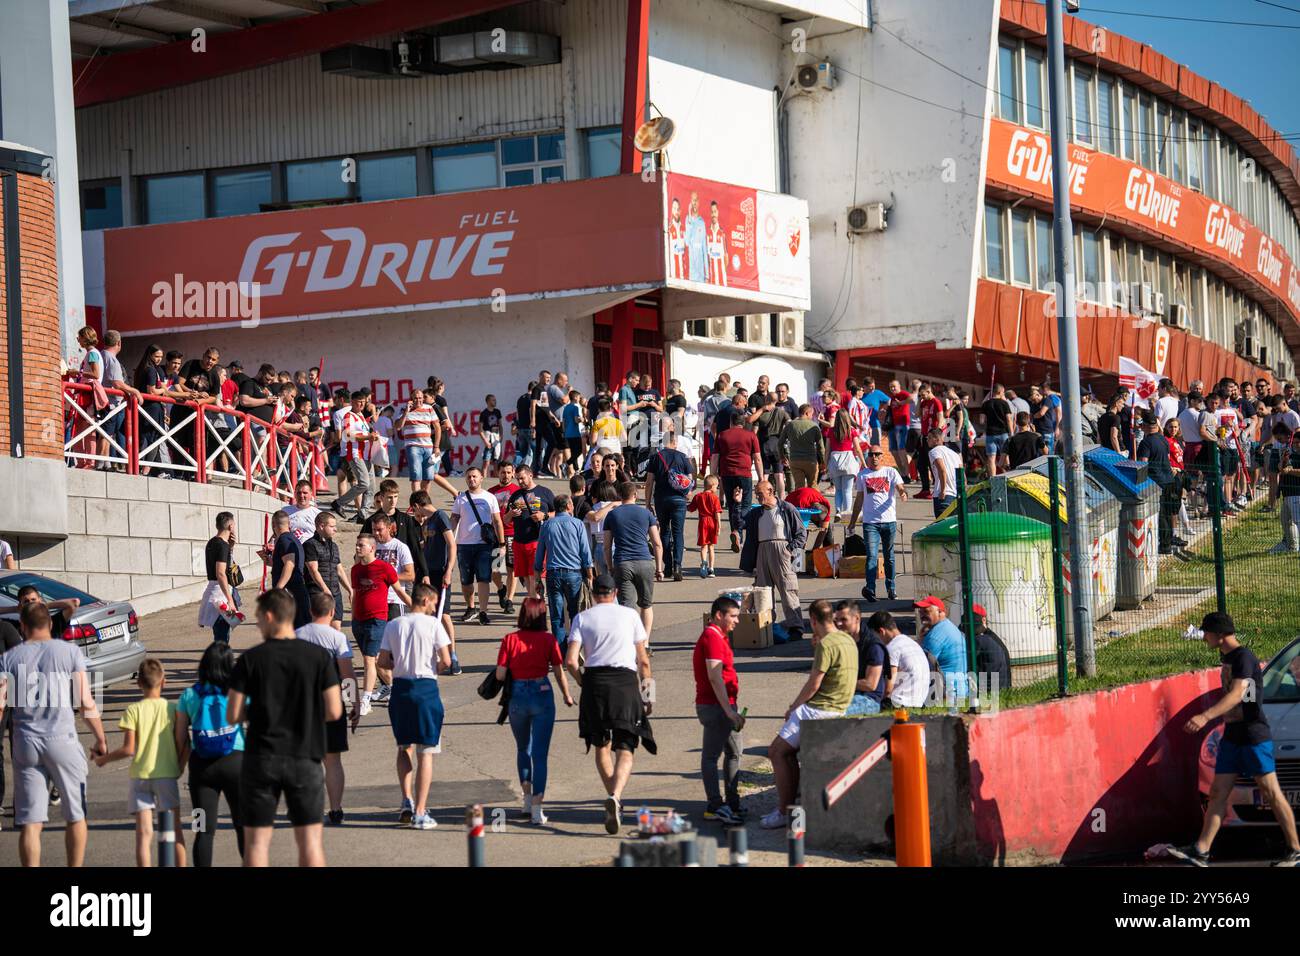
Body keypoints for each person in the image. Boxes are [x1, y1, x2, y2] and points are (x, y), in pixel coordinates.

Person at [1167, 612, 1300, 867]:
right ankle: (1201, 851)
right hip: (1233, 735)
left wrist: (1205, 717)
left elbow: (1238, 694)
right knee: (1218, 793)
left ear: (1219, 634)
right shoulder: (1227, 658)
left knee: (1271, 792)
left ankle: (1295, 850)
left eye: (1206, 632)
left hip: (1252, 735)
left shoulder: (1244, 658)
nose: (1204, 637)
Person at [227, 589, 343, 866]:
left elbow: (232, 714)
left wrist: (256, 711)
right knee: (310, 843)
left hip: (261, 758)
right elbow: (334, 710)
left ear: (269, 616)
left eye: (258, 619)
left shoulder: (250, 660)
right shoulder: (318, 657)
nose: (257, 625)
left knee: (256, 844)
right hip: (305, 756)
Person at [0, 602, 107, 866]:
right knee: (75, 815)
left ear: (22, 627)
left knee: (30, 822)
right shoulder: (68, 652)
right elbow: (85, 702)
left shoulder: (9, 658)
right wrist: (101, 739)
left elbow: (0, 703)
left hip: (25, 741)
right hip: (62, 738)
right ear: (49, 624)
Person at [564, 574, 655, 834]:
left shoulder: (583, 618)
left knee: (600, 746)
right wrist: (648, 694)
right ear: (615, 593)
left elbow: (571, 660)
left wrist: (583, 682)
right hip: (625, 684)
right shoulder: (629, 616)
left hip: (595, 683)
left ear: (593, 594)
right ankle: (615, 796)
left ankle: (614, 798)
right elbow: (643, 661)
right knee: (626, 746)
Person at [762, 599, 857, 829]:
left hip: (819, 708)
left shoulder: (827, 644)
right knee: (788, 753)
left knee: (776, 751)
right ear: (832, 617)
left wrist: (793, 707)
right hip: (840, 706)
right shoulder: (848, 639)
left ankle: (784, 810)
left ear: (813, 621)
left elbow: (814, 684)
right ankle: (791, 801)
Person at [94, 658, 189, 867]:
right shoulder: (172, 710)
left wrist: (103, 759)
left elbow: (129, 749)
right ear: (163, 682)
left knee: (144, 835)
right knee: (174, 830)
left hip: (140, 777)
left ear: (139, 684)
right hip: (166, 774)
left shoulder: (133, 711)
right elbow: (185, 744)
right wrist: (179, 766)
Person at [495, 597, 576, 826]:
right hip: (542, 693)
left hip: (518, 696)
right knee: (540, 755)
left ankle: (527, 798)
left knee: (523, 748)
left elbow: (500, 675)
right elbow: (559, 672)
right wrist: (567, 695)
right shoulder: (548, 640)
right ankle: (538, 809)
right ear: (542, 616)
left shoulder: (510, 640)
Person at [376, 584, 452, 829]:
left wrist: (399, 663)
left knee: (403, 747)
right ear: (427, 600)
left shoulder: (394, 624)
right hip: (425, 688)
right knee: (426, 751)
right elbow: (446, 660)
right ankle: (420, 810)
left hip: (401, 689)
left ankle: (406, 799)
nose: (434, 607)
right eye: (434, 602)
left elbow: (383, 661)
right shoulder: (433, 625)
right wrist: (434, 669)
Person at [173, 642, 245, 867]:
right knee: (244, 827)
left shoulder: (189, 695)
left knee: (203, 830)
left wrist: (181, 764)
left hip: (202, 769)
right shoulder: (237, 691)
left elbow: (180, 736)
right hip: (236, 764)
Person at [296, 592, 359, 826]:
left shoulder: (296, 636)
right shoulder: (337, 638)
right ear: (332, 612)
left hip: (304, 706)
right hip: (332, 704)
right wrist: (354, 704)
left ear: (311, 611)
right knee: (333, 761)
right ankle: (336, 809)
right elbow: (347, 675)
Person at [694, 595, 746, 825]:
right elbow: (715, 677)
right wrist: (728, 711)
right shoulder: (712, 637)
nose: (737, 621)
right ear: (719, 615)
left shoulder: (719, 636)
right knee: (712, 756)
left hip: (723, 705)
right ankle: (715, 805)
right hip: (716, 707)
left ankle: (731, 801)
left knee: (734, 752)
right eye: (733, 616)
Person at [350, 534, 411, 717]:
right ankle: (396, 688)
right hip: (358, 621)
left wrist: (416, 609)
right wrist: (353, 618)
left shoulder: (385, 568)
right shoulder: (355, 570)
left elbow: (400, 591)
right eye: (356, 545)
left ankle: (365, 700)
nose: (357, 548)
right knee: (375, 662)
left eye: (361, 545)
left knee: (368, 660)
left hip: (377, 619)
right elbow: (354, 594)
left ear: (372, 548)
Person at [740, 480, 807, 642]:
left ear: (771, 491)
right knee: (764, 591)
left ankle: (795, 627)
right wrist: (737, 503)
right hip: (762, 551)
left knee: (788, 588)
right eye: (756, 494)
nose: (757, 497)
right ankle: (769, 625)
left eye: (760, 494)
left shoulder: (786, 509)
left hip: (782, 549)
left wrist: (789, 550)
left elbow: (801, 533)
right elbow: (740, 522)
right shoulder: (757, 513)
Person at [603, 481, 665, 639]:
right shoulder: (646, 514)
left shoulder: (612, 515)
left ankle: (630, 643)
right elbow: (657, 544)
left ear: (619, 496)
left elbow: (607, 546)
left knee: (626, 607)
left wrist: (610, 567)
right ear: (635, 495)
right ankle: (645, 643)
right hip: (644, 562)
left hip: (623, 563)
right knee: (646, 605)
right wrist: (659, 569)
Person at [849, 444, 907, 603]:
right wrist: (853, 522)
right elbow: (859, 499)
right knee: (872, 557)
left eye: (877, 454)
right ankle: (870, 589)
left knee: (889, 557)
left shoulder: (891, 472)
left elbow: (900, 487)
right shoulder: (862, 475)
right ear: (868, 457)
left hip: (889, 522)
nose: (874, 457)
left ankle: (891, 588)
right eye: (871, 454)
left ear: (882, 456)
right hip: (870, 524)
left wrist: (902, 493)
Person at [535, 494, 594, 646]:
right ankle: (575, 650)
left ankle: (559, 654)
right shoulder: (577, 524)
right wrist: (589, 574)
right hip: (573, 573)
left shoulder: (547, 525)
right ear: (568, 506)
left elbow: (539, 554)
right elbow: (585, 551)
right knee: (575, 613)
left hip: (553, 574)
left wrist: (537, 578)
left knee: (556, 616)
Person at [450, 466, 506, 624]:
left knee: (483, 579)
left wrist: (501, 544)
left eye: (475, 476)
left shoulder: (490, 497)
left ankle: (483, 611)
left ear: (482, 478)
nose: (471, 479)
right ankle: (471, 607)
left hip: (484, 545)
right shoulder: (461, 499)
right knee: (466, 581)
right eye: (469, 477)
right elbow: (454, 519)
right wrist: (447, 537)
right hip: (464, 545)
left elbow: (497, 521)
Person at [645, 429, 695, 581]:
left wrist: (648, 503)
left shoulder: (655, 458)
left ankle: (667, 567)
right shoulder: (683, 457)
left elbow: (649, 483)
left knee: (664, 532)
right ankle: (678, 566)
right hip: (679, 500)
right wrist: (688, 494)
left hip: (661, 499)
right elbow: (690, 482)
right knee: (678, 532)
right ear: (675, 442)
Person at [712, 417, 764, 553]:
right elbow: (757, 458)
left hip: (727, 474)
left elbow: (715, 457)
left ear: (731, 422)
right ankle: (739, 534)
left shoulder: (722, 435)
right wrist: (761, 477)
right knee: (745, 505)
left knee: (732, 505)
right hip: (744, 474)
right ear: (744, 423)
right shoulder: (751, 435)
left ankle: (736, 533)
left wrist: (712, 476)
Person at [506, 466, 556, 602]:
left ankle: (536, 604)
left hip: (536, 541)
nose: (520, 482)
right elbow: (505, 519)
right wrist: (510, 514)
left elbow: (559, 513)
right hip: (518, 542)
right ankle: (534, 602)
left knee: (534, 575)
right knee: (525, 577)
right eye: (518, 479)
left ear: (530, 475)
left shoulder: (544, 492)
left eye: (522, 478)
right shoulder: (515, 495)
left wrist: (544, 515)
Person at [1136, 411, 1182, 554]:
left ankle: (1165, 545)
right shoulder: (1163, 439)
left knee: (1161, 515)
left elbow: (1143, 464)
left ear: (1144, 426)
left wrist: (1139, 483)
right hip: (1169, 480)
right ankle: (1167, 542)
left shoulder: (1145, 443)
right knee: (1167, 514)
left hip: (1156, 483)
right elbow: (1167, 459)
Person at [866, 610, 931, 708]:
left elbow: (888, 688)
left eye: (874, 637)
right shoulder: (912, 644)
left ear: (881, 631)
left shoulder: (892, 648)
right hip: (919, 702)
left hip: (899, 703)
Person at [835, 601, 889, 716]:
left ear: (857, 618)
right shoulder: (844, 641)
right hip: (848, 696)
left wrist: (840, 683)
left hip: (868, 700)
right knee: (808, 709)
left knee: (831, 714)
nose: (839, 624)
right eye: (837, 620)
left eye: (844, 619)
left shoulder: (873, 645)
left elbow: (870, 684)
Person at [331, 390, 379, 521]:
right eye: (359, 402)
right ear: (352, 402)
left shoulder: (361, 417)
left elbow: (364, 433)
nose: (362, 405)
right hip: (355, 454)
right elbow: (347, 435)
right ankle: (339, 503)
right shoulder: (348, 416)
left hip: (366, 455)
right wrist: (368, 436)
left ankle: (363, 514)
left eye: (364, 402)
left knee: (371, 487)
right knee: (363, 483)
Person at [915, 595, 969, 702]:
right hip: (960, 689)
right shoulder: (947, 627)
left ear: (940, 612)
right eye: (920, 612)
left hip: (947, 694)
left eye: (926, 611)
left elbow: (919, 665)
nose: (922, 615)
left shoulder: (936, 636)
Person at [199, 511, 241, 643]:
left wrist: (231, 548)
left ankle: (220, 660)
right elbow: (221, 573)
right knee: (222, 637)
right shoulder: (222, 545)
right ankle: (221, 662)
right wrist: (230, 600)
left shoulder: (212, 543)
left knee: (220, 635)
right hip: (221, 595)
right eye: (233, 524)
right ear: (230, 527)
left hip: (213, 590)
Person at [304, 511, 349, 631]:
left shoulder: (334, 546)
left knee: (336, 628)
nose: (335, 529)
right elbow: (313, 570)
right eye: (332, 526)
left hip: (335, 592)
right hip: (317, 593)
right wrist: (325, 590)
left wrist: (350, 590)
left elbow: (339, 570)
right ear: (321, 526)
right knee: (319, 627)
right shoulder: (310, 545)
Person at [268, 510, 312, 629]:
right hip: (296, 592)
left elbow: (289, 564)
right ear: (289, 524)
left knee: (294, 630)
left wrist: (278, 588)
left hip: (291, 592)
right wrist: (269, 561)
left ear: (273, 525)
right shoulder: (292, 539)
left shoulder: (284, 540)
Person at [489, 461, 522, 614]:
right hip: (496, 536)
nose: (506, 475)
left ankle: (509, 600)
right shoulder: (491, 492)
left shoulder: (518, 490)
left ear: (513, 473)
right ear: (498, 473)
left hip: (512, 535)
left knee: (511, 569)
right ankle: (501, 588)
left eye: (509, 472)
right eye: (503, 472)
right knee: (494, 570)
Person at [826, 406, 866, 517]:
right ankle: (847, 512)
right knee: (847, 490)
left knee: (838, 490)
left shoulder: (831, 431)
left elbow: (827, 450)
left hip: (835, 460)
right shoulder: (852, 431)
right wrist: (864, 462)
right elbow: (858, 449)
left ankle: (838, 511)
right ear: (848, 418)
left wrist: (826, 463)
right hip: (848, 460)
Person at [781, 403, 825, 491]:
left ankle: (799, 504)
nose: (812, 417)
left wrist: (782, 457)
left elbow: (780, 443)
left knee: (799, 487)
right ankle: (813, 504)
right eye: (811, 414)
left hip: (795, 460)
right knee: (813, 486)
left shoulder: (790, 425)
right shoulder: (814, 426)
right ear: (807, 413)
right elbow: (821, 447)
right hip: (810, 461)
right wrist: (823, 462)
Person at [970, 604, 1012, 695]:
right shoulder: (991, 637)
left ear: (983, 620)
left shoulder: (981, 639)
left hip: (992, 691)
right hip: (1002, 689)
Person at [688, 474, 723, 577]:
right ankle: (711, 569)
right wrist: (719, 526)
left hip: (702, 522)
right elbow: (717, 513)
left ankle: (703, 562)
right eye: (716, 486)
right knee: (711, 546)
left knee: (704, 546)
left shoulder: (698, 496)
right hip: (712, 522)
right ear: (712, 485)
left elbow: (691, 508)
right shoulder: (715, 498)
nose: (717, 488)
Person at [926, 428, 963, 518]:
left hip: (943, 495)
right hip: (955, 494)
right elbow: (962, 473)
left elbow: (942, 470)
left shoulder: (934, 451)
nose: (927, 440)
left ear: (937, 439)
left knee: (941, 525)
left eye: (929, 438)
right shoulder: (954, 453)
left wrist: (943, 491)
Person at [980, 384, 1015, 476]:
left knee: (991, 458)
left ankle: (993, 480)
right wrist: (1011, 433)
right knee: (1006, 456)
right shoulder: (1004, 403)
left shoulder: (986, 404)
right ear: (1000, 392)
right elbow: (1009, 419)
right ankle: (1009, 477)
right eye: (1003, 392)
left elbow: (981, 421)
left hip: (990, 434)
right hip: (1003, 433)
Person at [885, 379, 913, 482]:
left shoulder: (903, 393)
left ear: (899, 386)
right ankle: (902, 473)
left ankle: (906, 474)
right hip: (893, 427)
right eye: (890, 387)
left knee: (901, 450)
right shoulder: (892, 398)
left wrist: (901, 402)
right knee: (893, 451)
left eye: (894, 386)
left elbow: (912, 399)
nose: (892, 389)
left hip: (902, 425)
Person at [480, 393, 504, 478]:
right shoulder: (484, 413)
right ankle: (484, 478)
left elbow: (500, 425)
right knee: (486, 461)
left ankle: (496, 479)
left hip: (496, 438)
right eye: (493, 400)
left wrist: (501, 436)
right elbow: (480, 430)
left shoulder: (497, 412)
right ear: (488, 401)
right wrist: (486, 442)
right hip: (488, 438)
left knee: (496, 460)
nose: (495, 401)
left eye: (495, 400)